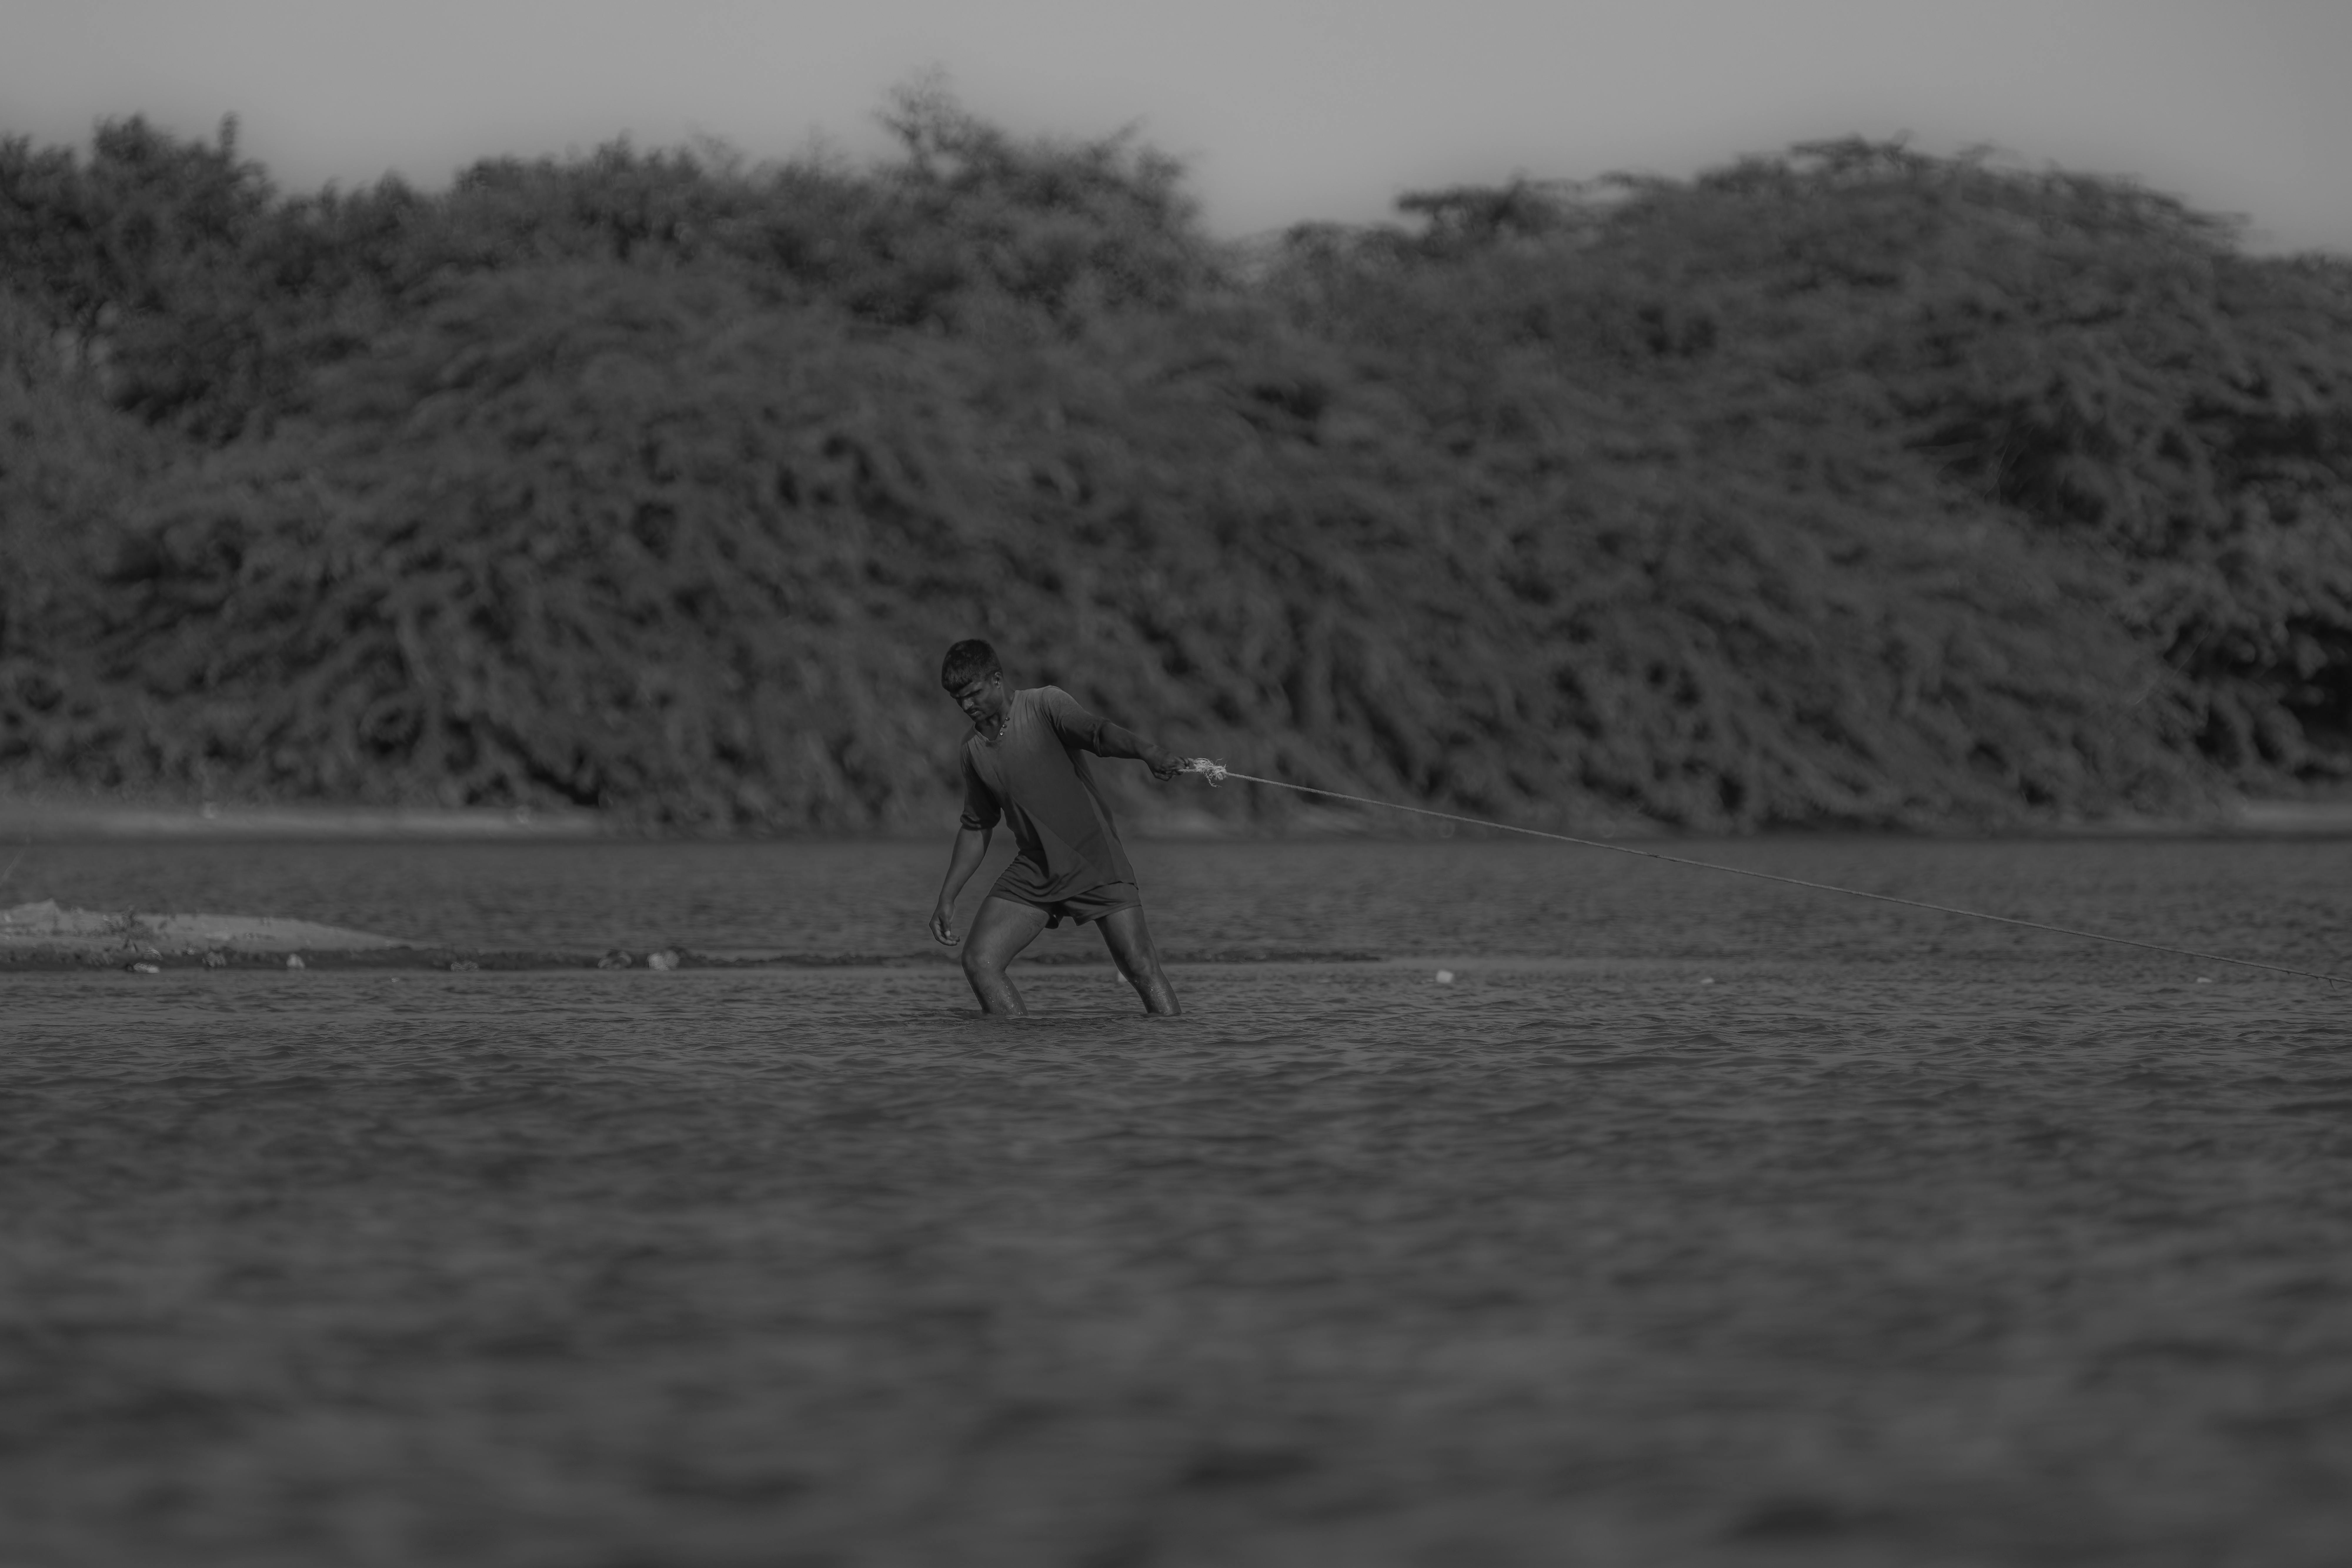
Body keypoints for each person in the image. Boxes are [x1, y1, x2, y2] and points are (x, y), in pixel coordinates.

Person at [929, 638, 1187, 1017]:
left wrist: (1148, 752)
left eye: (974, 694)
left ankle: (1179, 1050)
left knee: (1140, 967)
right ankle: (1022, 1056)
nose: (967, 706)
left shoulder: (1044, 704)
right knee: (980, 961)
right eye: (958, 699)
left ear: (997, 680)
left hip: (1093, 857)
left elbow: (1098, 732)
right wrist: (947, 896)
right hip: (1036, 868)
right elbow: (977, 825)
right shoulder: (972, 750)